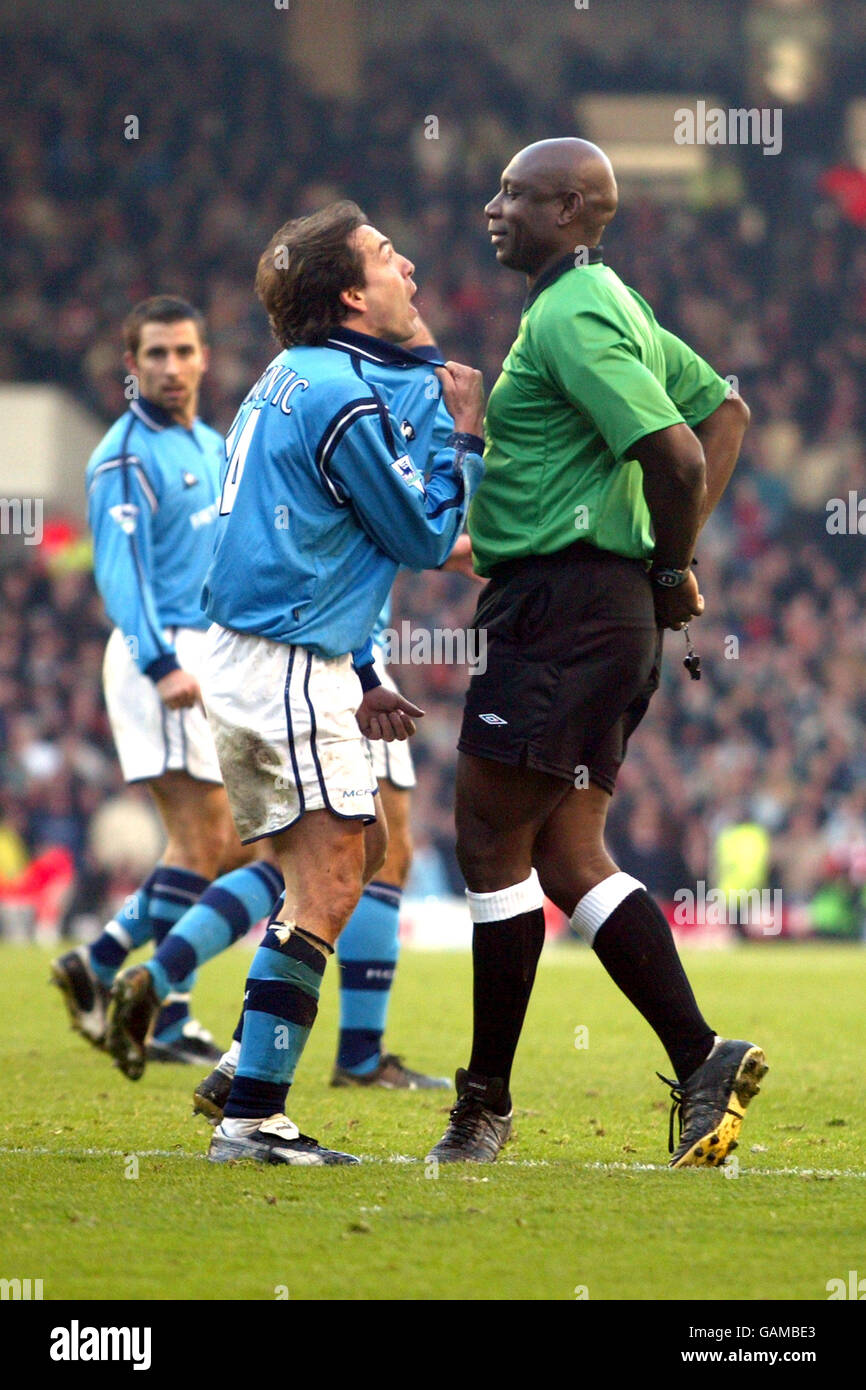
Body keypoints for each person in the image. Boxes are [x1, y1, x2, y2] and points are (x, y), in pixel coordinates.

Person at [118, 201, 484, 1165]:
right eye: (385, 254)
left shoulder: (297, 375)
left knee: (333, 868)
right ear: (354, 295)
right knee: (329, 880)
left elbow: (340, 539)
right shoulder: (344, 396)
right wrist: (468, 437)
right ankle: (252, 1117)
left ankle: (241, 1067)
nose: (407, 261)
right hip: (281, 662)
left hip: (278, 655)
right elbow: (418, 537)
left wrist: (363, 667)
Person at [428, 139, 766, 1169]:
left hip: (560, 608)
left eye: (513, 194)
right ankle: (702, 1054)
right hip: (604, 614)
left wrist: (671, 568)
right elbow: (725, 409)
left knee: (489, 846)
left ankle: (481, 1104)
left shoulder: (569, 315)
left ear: (571, 208)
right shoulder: (614, 300)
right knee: (569, 856)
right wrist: (661, 576)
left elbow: (671, 446)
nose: (491, 208)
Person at [51, 296, 283, 1069]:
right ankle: (166, 1005)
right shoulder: (122, 456)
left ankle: (102, 961)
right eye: (155, 354)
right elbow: (121, 575)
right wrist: (160, 663)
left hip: (212, 655)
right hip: (165, 660)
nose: (172, 367)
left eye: (184, 352)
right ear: (132, 365)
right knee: (211, 840)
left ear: (205, 357)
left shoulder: (215, 446)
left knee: (224, 846)